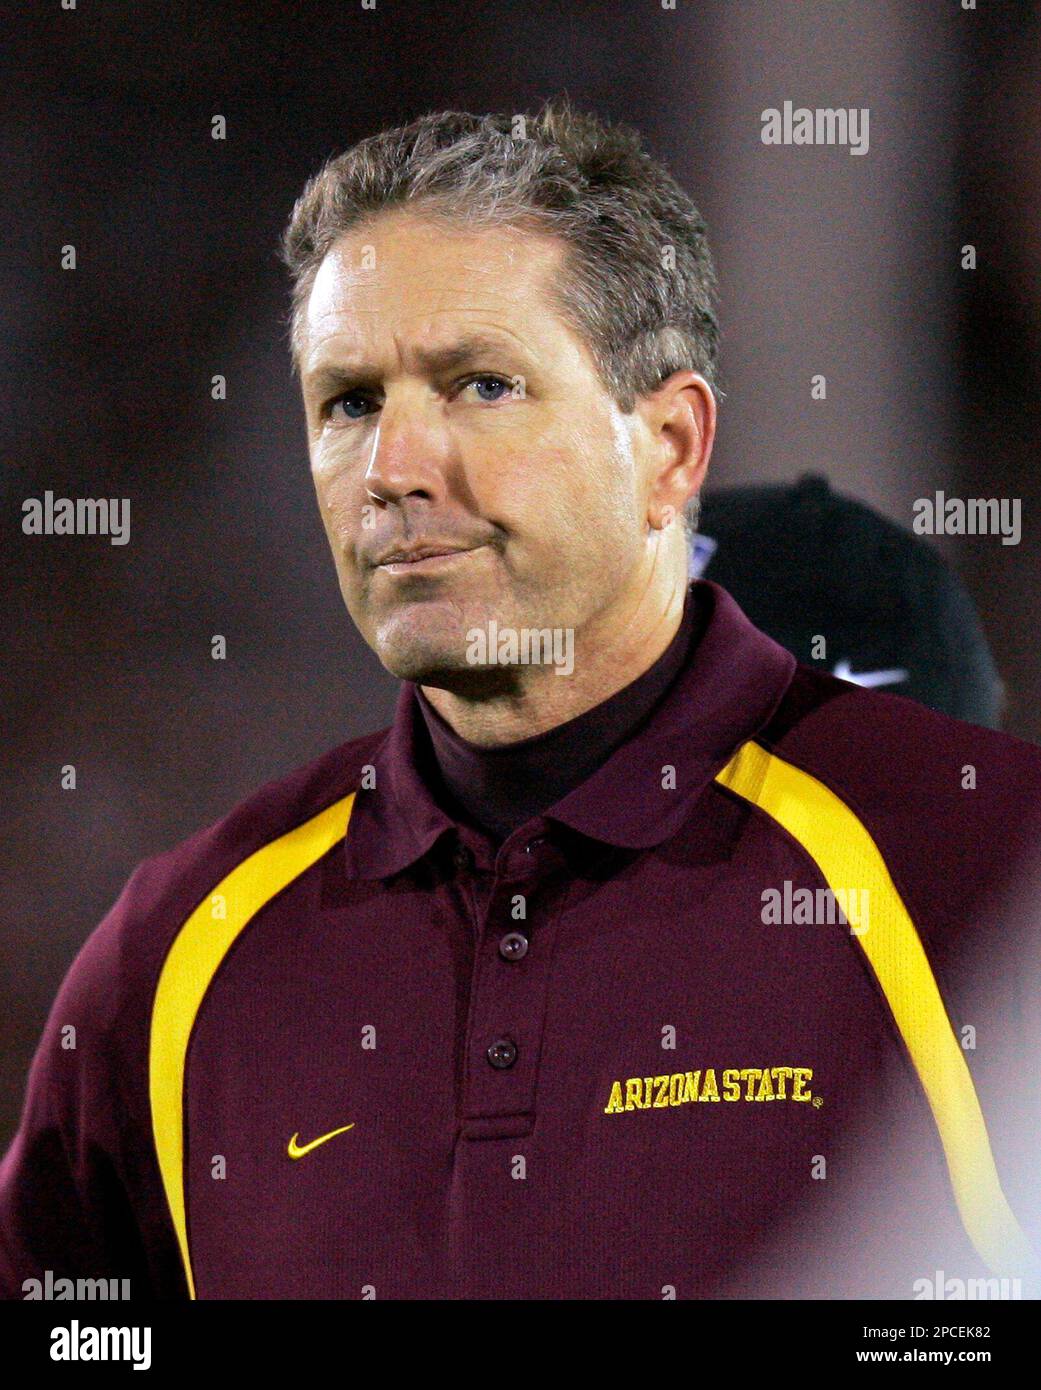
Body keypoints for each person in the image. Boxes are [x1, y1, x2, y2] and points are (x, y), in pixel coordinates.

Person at [2, 99, 1039, 1301]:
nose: (394, 470)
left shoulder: (979, 864)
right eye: (348, 402)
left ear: (670, 447)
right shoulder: (179, 951)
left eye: (480, 385)